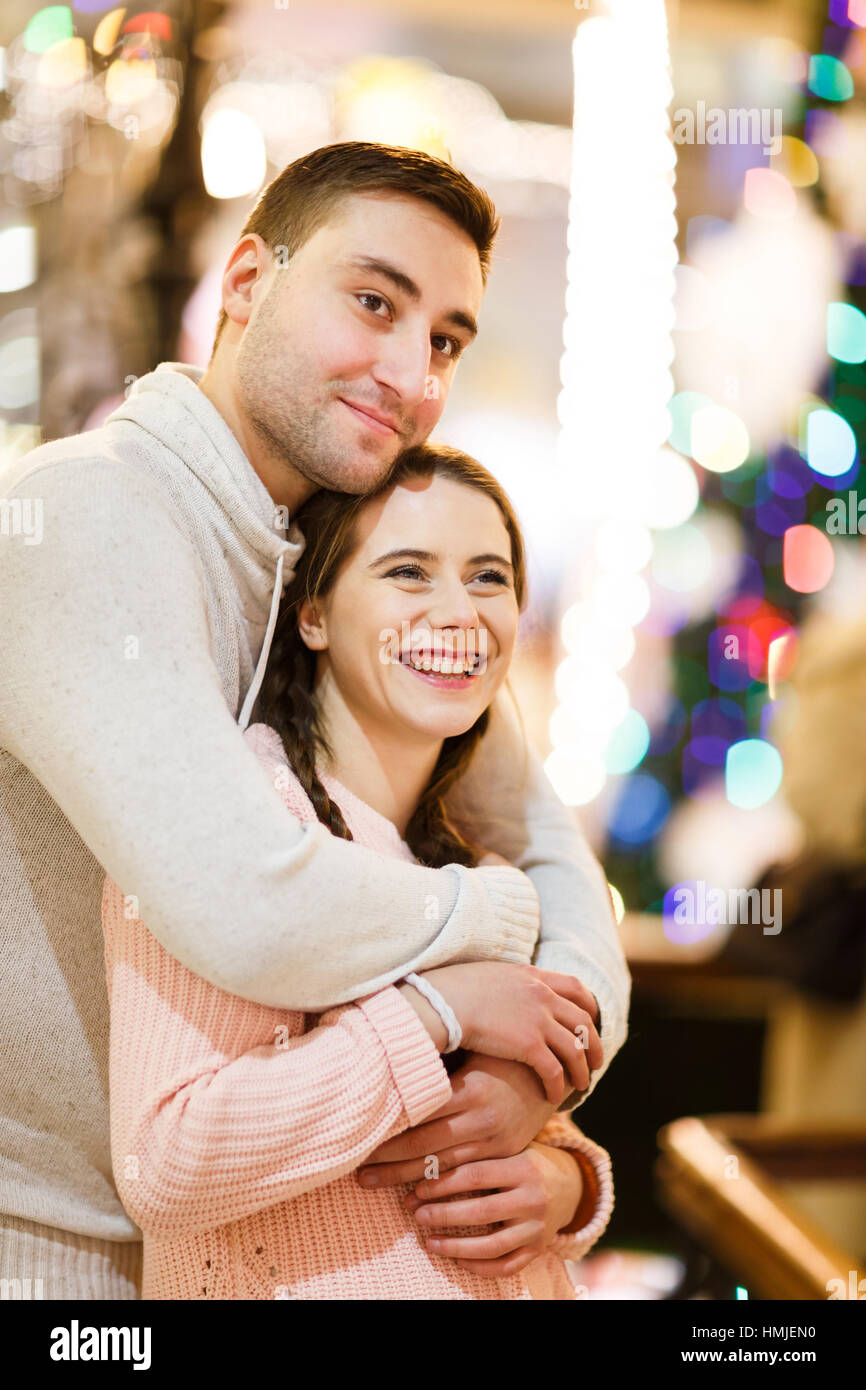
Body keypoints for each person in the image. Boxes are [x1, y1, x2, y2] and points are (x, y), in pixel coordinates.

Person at [0, 142, 629, 1299]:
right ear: (245, 283)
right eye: (372, 301)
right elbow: (243, 896)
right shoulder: (89, 511)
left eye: (442, 337)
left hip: (251, 1245)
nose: (408, 368)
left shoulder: (337, 545)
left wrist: (544, 1081)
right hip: (45, 1253)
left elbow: (553, 857)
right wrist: (481, 947)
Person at [103, 442, 615, 1298]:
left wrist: (567, 1187)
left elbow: (480, 1136)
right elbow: (168, 1163)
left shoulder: (477, 865)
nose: (459, 612)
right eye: (409, 572)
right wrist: (435, 1015)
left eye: (489, 578)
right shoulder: (236, 822)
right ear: (313, 612)